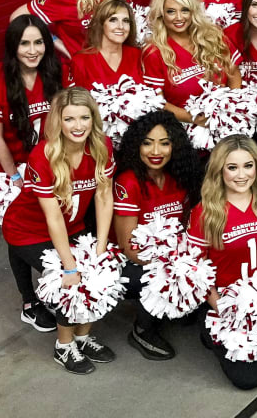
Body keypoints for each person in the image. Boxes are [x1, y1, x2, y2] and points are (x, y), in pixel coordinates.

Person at [0, 89, 114, 372]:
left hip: (72, 225)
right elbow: (52, 218)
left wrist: (100, 248)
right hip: (27, 230)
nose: (78, 126)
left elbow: (103, 196)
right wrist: (68, 265)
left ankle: (83, 337)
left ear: (93, 119)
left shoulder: (103, 146)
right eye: (70, 119)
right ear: (58, 122)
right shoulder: (44, 156)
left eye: (84, 117)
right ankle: (64, 347)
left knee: (99, 271)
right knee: (72, 282)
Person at [187, 135, 257, 389]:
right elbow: (197, 272)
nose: (241, 175)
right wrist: (224, 309)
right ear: (219, 170)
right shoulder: (204, 212)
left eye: (248, 166)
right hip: (223, 299)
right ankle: (210, 333)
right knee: (249, 381)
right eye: (232, 167)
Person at [113, 111, 200, 361]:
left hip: (171, 256)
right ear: (136, 146)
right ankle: (142, 329)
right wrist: (172, 270)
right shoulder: (129, 182)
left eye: (164, 142)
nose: (156, 151)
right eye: (147, 142)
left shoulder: (180, 175)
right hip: (131, 262)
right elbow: (127, 246)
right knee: (152, 278)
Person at [0, 17, 66, 246]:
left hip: (37, 159)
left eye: (39, 42)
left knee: (46, 220)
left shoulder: (56, 70)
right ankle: (24, 279)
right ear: (12, 46)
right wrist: (15, 178)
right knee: (18, 231)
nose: (33, 51)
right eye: (24, 44)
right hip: (1, 165)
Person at [140, 0, 242, 122]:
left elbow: (233, 72)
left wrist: (233, 107)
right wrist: (195, 119)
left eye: (185, 10)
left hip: (226, 119)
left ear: (192, 11)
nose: (179, 17)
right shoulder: (154, 52)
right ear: (161, 15)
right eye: (171, 11)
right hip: (186, 127)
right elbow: (157, 101)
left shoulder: (213, 35)